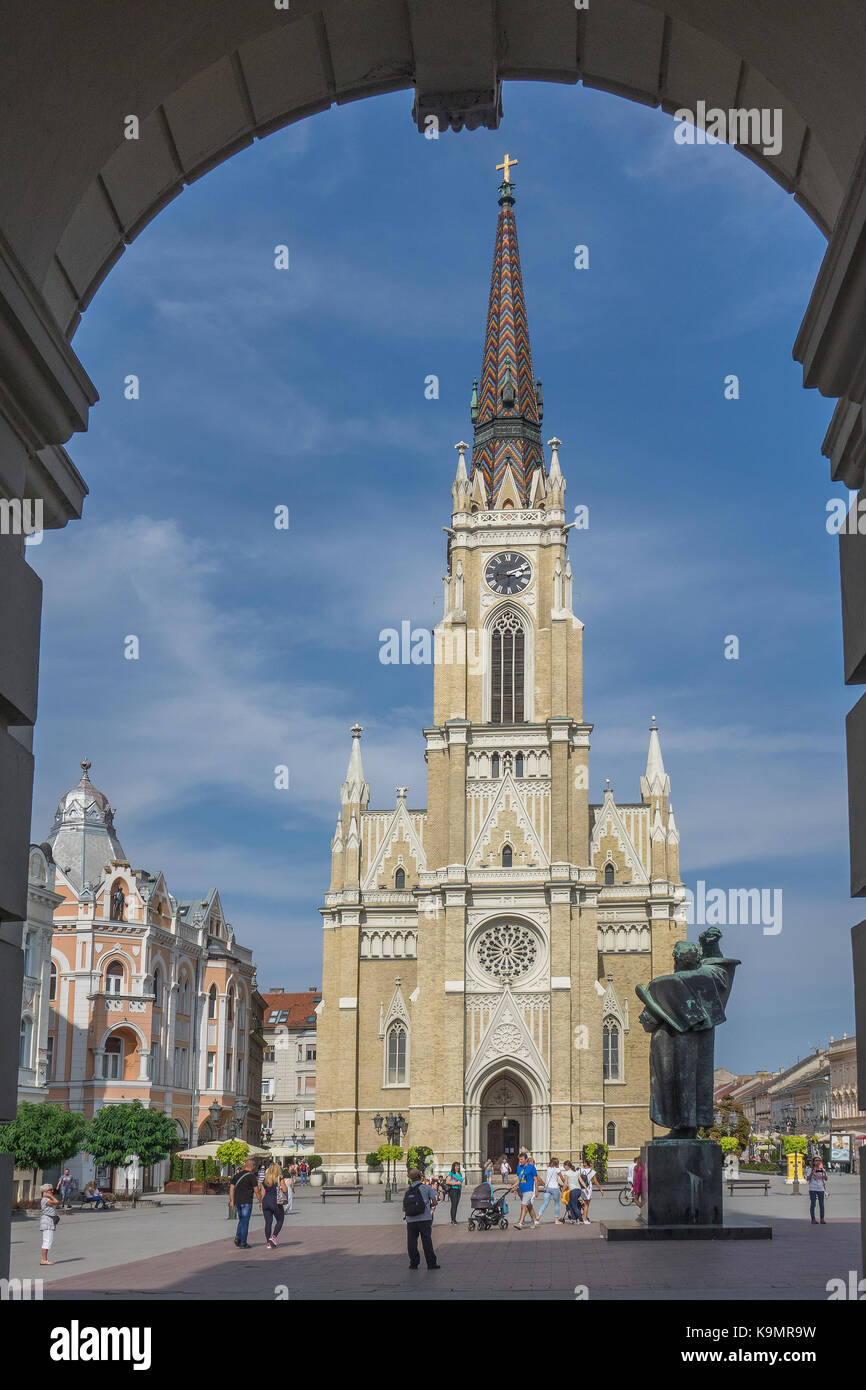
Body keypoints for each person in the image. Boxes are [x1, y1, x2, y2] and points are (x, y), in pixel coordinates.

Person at [403, 1167, 440, 1270]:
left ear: (410, 1178)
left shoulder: (407, 1190)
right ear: (420, 1177)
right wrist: (428, 1206)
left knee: (412, 1242)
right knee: (427, 1241)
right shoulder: (426, 1188)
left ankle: (414, 1264)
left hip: (411, 1220)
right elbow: (435, 1201)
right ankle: (431, 1264)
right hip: (424, 1218)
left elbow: (403, 1208)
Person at [258, 1161, 290, 1248]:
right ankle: (274, 1236)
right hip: (276, 1202)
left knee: (268, 1222)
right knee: (280, 1219)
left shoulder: (265, 1179)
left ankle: (268, 1242)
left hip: (266, 1202)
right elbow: (285, 1190)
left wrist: (260, 1203)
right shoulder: (279, 1178)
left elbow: (262, 1193)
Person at [229, 1157, 258, 1248]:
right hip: (247, 1201)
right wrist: (261, 1200)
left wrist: (232, 1201)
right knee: (245, 1221)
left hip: (238, 1201)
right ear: (252, 1166)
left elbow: (231, 1189)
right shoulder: (252, 1176)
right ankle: (243, 1243)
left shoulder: (236, 1175)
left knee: (241, 1220)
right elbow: (256, 1190)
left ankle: (238, 1237)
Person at [512, 1150, 539, 1230]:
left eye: (522, 1159)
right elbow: (519, 1179)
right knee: (529, 1206)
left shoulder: (531, 1167)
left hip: (529, 1190)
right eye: (519, 1159)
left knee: (523, 1205)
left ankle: (520, 1223)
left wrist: (536, 1190)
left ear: (526, 1159)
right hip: (522, 1190)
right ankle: (535, 1221)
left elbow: (536, 1179)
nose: (520, 1161)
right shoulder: (519, 1168)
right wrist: (514, 1186)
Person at [536, 1157, 565, 1224]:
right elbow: (562, 1178)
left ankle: (539, 1216)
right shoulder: (557, 1169)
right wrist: (566, 1184)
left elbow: (552, 1179)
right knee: (556, 1204)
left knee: (545, 1203)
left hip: (548, 1188)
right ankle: (556, 1220)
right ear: (556, 1163)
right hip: (555, 1188)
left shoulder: (548, 1169)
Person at [578, 1156, 604, 1224]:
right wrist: (600, 1189)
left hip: (580, 1188)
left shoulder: (580, 1170)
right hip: (588, 1189)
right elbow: (596, 1182)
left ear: (585, 1164)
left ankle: (580, 1217)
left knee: (580, 1204)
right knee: (587, 1205)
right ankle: (584, 1219)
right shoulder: (592, 1171)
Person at [40, 1183, 59, 1265]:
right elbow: (56, 1201)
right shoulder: (45, 1200)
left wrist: (49, 1195)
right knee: (47, 1241)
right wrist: (49, 1195)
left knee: (48, 1240)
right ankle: (44, 1260)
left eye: (52, 1190)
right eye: (50, 1190)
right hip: (47, 1221)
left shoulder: (46, 1199)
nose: (52, 1191)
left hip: (49, 1221)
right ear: (45, 1191)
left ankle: (45, 1259)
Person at [804, 1158, 828, 1224]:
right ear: (813, 1162)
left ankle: (822, 1219)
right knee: (813, 1204)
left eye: (819, 1161)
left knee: (822, 1204)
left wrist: (824, 1173)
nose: (818, 1162)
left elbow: (826, 1179)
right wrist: (812, 1172)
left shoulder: (823, 1170)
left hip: (821, 1188)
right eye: (816, 1161)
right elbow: (807, 1179)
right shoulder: (810, 1169)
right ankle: (813, 1219)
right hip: (813, 1188)